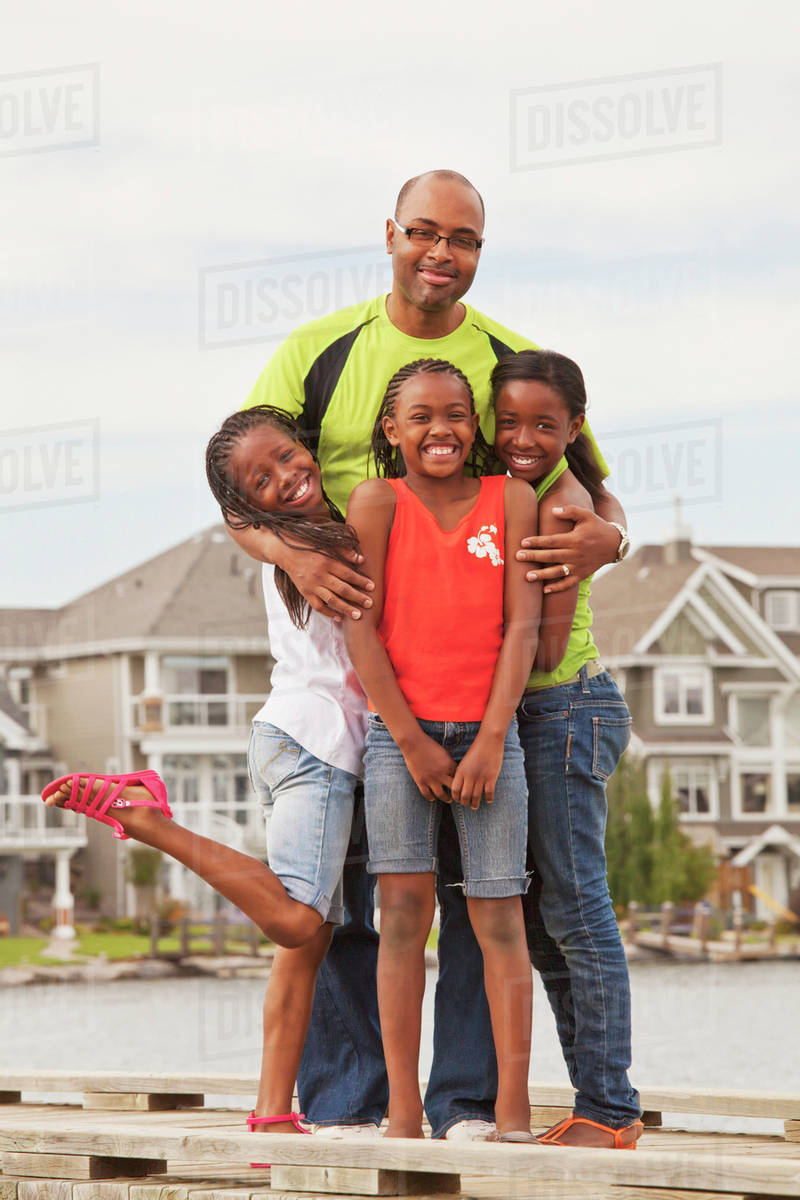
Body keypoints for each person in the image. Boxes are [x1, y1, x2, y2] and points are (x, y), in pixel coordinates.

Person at [231, 168, 631, 1140]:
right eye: (422, 232)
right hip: (351, 677)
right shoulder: (318, 352)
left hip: (476, 667)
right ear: (389, 235)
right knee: (359, 899)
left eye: (463, 238)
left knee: (480, 899)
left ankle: (464, 1102)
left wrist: (608, 539)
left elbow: (588, 480)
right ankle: (354, 1103)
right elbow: (241, 480)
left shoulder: (501, 355)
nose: (440, 252)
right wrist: (290, 550)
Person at [41, 404, 372, 1153]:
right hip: (315, 743)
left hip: (301, 742)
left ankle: (271, 1110)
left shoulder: (298, 536)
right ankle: (153, 820)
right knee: (294, 921)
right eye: (264, 478)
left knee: (308, 942)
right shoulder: (306, 545)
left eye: (290, 456)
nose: (289, 477)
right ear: (244, 508)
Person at [344, 357, 539, 1142]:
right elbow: (358, 627)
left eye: (457, 413)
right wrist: (411, 740)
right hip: (403, 741)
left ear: (475, 423)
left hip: (494, 737)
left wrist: (492, 738)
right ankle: (401, 1111)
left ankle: (514, 1113)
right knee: (401, 916)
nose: (442, 429)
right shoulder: (375, 502)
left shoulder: (512, 499)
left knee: (499, 917)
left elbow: (522, 627)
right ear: (392, 431)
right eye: (421, 416)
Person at [491, 349, 642, 1149]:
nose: (522, 437)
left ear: (574, 428)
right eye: (508, 421)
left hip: (564, 709)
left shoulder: (559, 506)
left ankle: (612, 1110)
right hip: (542, 715)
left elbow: (545, 653)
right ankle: (594, 1100)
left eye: (542, 425)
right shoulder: (527, 492)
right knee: (547, 925)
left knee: (578, 914)